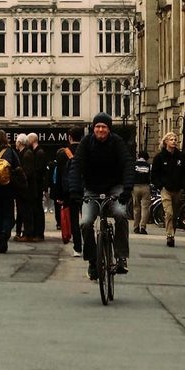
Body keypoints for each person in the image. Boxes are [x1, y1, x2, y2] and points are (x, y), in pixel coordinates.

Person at [69, 113, 134, 278]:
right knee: (85, 223)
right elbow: (76, 166)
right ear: (93, 128)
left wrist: (127, 189)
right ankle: (92, 261)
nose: (100, 129)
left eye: (104, 127)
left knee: (120, 214)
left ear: (109, 129)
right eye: (97, 126)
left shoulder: (117, 142)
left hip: (115, 187)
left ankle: (120, 257)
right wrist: (75, 191)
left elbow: (127, 163)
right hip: (91, 189)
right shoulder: (86, 143)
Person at [151, 132, 185, 248]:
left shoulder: (180, 156)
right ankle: (169, 235)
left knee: (175, 214)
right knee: (169, 212)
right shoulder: (159, 157)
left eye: (175, 139)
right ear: (166, 142)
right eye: (171, 139)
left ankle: (172, 233)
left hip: (177, 189)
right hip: (165, 189)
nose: (174, 141)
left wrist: (183, 186)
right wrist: (160, 185)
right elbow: (154, 174)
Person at [50, 127, 82, 253]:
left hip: (69, 190)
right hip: (85, 189)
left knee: (73, 218)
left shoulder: (62, 153)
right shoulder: (86, 150)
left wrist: (59, 194)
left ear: (69, 137)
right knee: (86, 220)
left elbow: (59, 175)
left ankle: (77, 247)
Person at [25, 133, 49, 241]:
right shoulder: (38, 152)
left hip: (37, 186)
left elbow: (39, 171)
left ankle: (39, 233)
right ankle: (37, 232)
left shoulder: (39, 153)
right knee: (36, 208)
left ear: (32, 140)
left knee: (38, 209)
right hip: (37, 185)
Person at [14, 133, 33, 240]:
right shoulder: (23, 153)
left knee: (26, 212)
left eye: (17, 141)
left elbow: (27, 172)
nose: (16, 143)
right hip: (22, 189)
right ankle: (23, 232)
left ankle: (27, 233)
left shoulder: (26, 154)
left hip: (25, 189)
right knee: (22, 211)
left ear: (20, 142)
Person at [132, 151, 152, 235]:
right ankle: (143, 226)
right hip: (145, 187)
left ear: (138, 156)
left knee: (136, 207)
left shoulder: (134, 164)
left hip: (135, 186)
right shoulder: (149, 166)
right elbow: (151, 176)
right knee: (145, 208)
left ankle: (136, 226)